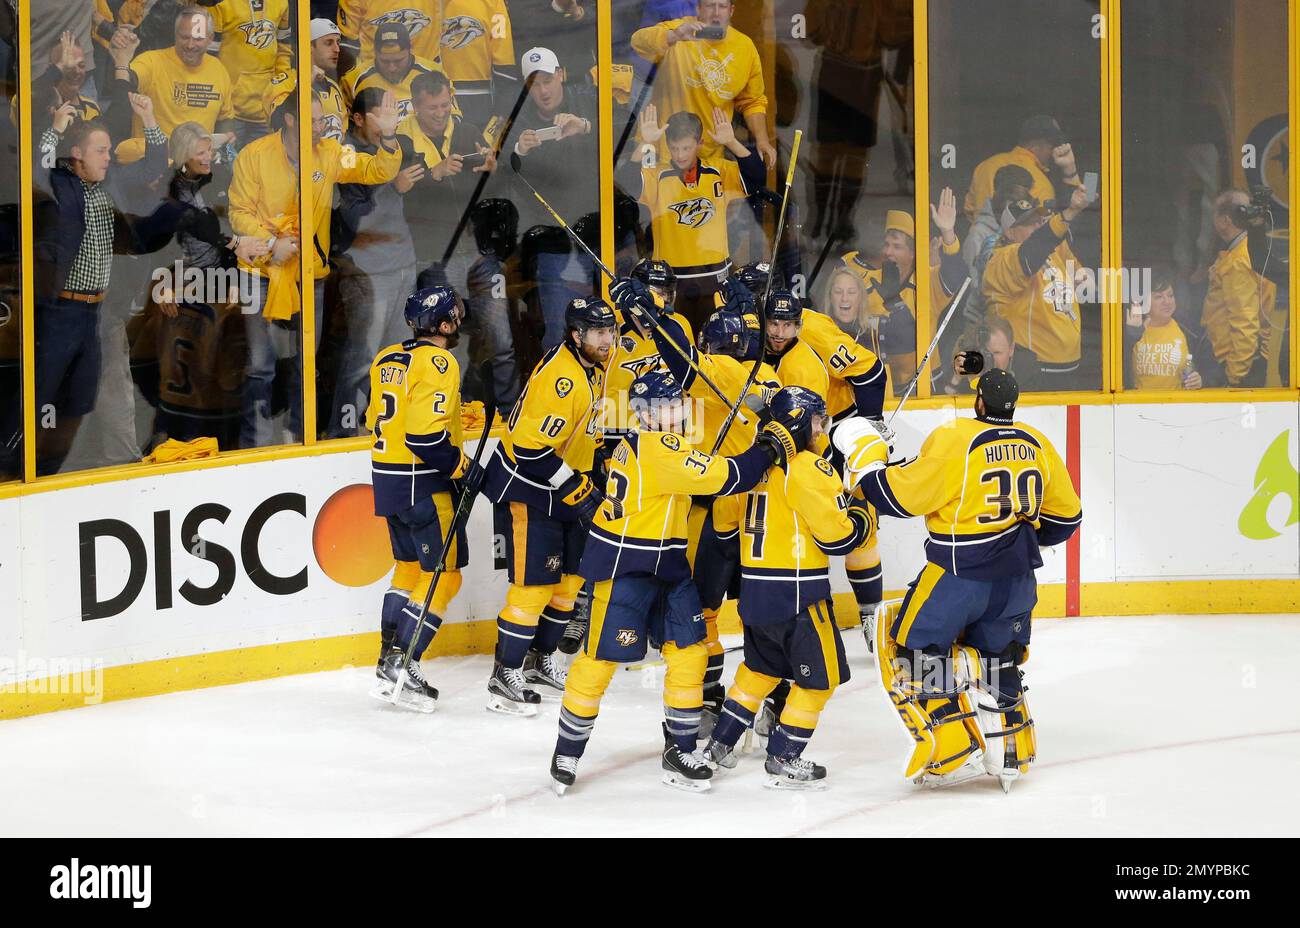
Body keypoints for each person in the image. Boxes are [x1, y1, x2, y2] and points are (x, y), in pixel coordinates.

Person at [549, 367, 791, 795]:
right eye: (667, 406)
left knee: (690, 653)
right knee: (599, 661)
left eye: (678, 403)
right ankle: (567, 750)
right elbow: (731, 476)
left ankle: (679, 749)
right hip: (626, 566)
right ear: (644, 413)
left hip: (667, 565)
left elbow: (697, 474)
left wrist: (745, 426)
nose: (677, 411)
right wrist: (772, 445)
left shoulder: (650, 442)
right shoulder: (660, 448)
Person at [843, 369, 1082, 791]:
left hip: (957, 577)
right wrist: (1020, 538)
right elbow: (1067, 519)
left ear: (979, 402)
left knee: (914, 652)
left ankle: (953, 749)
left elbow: (898, 498)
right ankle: (1012, 754)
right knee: (1000, 657)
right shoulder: (1036, 442)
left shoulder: (956, 439)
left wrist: (866, 461)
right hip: (1017, 581)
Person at [615, 275, 780, 723]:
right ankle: (773, 706)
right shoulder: (771, 380)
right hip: (766, 519)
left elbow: (684, 365)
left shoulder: (722, 372)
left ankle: (706, 701)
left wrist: (649, 315)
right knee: (761, 613)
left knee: (702, 613)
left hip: (718, 512)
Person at [701, 386, 876, 788]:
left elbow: (724, 524)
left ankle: (719, 745)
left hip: (756, 594)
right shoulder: (810, 470)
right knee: (821, 680)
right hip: (800, 597)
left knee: (759, 671)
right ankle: (784, 754)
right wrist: (861, 507)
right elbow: (839, 539)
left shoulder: (747, 468)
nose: (824, 427)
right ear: (798, 423)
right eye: (817, 420)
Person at [227, 89, 401, 448]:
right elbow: (238, 213)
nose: (321, 127)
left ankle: (298, 437)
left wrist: (388, 137)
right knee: (260, 365)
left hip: (309, 276)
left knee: (307, 362)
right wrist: (272, 243)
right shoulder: (254, 156)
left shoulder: (330, 153)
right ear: (291, 119)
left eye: (322, 120)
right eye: (313, 120)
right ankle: (256, 445)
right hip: (261, 274)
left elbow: (375, 170)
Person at [19, 107, 183, 475]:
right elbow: (34, 169)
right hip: (63, 308)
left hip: (102, 308)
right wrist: (57, 126)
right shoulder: (60, 183)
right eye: (102, 150)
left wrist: (150, 120)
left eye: (110, 151)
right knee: (47, 389)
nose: (109, 157)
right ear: (77, 153)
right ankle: (29, 465)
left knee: (112, 390)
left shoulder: (111, 183)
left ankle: (121, 461)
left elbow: (155, 166)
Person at [480, 296, 616, 715]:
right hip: (529, 487)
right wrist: (575, 486)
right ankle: (506, 672)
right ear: (577, 336)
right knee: (533, 587)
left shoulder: (592, 366)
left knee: (570, 582)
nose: (607, 340)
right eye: (598, 333)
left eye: (611, 331)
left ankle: (540, 660)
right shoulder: (566, 379)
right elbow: (529, 449)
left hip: (560, 483)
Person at [366, 285, 475, 711]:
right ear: (445, 324)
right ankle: (402, 661)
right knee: (444, 575)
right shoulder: (441, 360)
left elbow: (380, 416)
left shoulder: (387, 356)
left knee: (408, 570)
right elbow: (424, 435)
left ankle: (386, 657)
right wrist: (463, 468)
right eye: (456, 316)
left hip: (387, 479)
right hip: (422, 480)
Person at [130, 122, 269, 450]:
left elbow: (225, 224)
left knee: (238, 360)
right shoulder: (169, 193)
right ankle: (165, 433)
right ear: (182, 157)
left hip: (224, 281)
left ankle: (231, 438)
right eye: (200, 153)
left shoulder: (218, 177)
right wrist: (164, 284)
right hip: (190, 283)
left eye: (210, 151)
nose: (208, 158)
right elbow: (166, 243)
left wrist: (235, 273)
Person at [328, 87, 422, 439]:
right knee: (362, 358)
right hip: (367, 270)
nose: (388, 120)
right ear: (357, 118)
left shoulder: (394, 147)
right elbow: (354, 218)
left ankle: (389, 427)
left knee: (397, 358)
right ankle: (344, 432)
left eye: (392, 113)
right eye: (380, 115)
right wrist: (392, 188)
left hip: (401, 262)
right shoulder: (344, 154)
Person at [632, 106, 764, 333]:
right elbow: (627, 181)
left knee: (714, 342)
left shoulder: (718, 171)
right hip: (670, 281)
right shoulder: (658, 174)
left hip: (715, 279)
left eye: (686, 147)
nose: (680, 155)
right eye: (674, 148)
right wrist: (645, 142)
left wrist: (732, 142)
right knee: (674, 344)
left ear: (699, 143)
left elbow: (757, 177)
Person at [503, 47, 599, 349]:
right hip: (555, 244)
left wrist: (584, 126)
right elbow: (497, 173)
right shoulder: (517, 120)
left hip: (602, 236)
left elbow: (626, 127)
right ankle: (561, 394)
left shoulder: (586, 100)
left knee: (614, 324)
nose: (543, 90)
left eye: (547, 80)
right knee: (560, 329)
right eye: (534, 84)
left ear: (561, 74)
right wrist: (519, 151)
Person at [631, 0, 774, 169]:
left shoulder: (745, 47)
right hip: (663, 152)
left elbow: (753, 100)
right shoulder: (680, 29)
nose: (715, 12)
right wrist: (674, 36)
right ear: (698, 8)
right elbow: (638, 41)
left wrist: (762, 139)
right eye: (709, 6)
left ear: (731, 11)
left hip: (709, 156)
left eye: (722, 6)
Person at [845, 191, 964, 392]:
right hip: (877, 383)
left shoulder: (926, 282)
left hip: (922, 387)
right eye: (887, 244)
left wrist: (948, 234)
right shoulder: (864, 280)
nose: (888, 251)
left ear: (913, 252)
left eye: (897, 246)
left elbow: (954, 275)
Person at [982, 186, 1091, 386]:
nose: (1038, 226)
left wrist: (1080, 278)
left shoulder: (1055, 250)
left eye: (1039, 221)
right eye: (1029, 223)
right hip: (1033, 369)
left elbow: (1080, 272)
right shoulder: (1001, 259)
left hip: (1070, 367)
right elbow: (1030, 253)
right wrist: (1068, 214)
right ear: (1010, 231)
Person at [111, 7, 236, 162]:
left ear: (210, 38)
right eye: (184, 37)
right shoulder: (152, 61)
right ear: (175, 34)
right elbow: (126, 83)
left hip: (198, 167)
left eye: (198, 38)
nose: (190, 45)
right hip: (153, 166)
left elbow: (225, 117)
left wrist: (226, 137)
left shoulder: (219, 70)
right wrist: (122, 59)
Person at [1200, 190, 1275, 387]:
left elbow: (1245, 324)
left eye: (1214, 214)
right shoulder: (1251, 249)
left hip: (1238, 366)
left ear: (1225, 220)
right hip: (1247, 360)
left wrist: (1234, 378)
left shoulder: (1239, 261)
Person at [962, 114, 1084, 223]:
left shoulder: (985, 166)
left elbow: (969, 209)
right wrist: (1070, 170)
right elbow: (1049, 234)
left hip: (980, 245)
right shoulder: (1041, 185)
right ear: (1035, 147)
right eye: (1051, 147)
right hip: (1018, 247)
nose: (1053, 153)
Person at [210, 0, 293, 145]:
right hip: (230, 112)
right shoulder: (221, 3)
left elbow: (284, 49)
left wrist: (278, 93)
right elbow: (210, 57)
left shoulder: (281, 3)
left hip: (266, 110)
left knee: (262, 165)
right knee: (229, 164)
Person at [343, 21, 455, 120]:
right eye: (385, 61)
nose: (392, 68)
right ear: (375, 52)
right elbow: (349, 129)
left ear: (410, 50)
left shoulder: (433, 73)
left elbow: (453, 117)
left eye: (398, 61)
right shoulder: (354, 79)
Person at [435, 0, 519, 130]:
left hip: (477, 102)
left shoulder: (493, 3)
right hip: (432, 100)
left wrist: (504, 108)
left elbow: (503, 62)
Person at [1125, 272, 1202, 391]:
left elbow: (1199, 368)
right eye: (1158, 297)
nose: (1167, 302)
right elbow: (1116, 370)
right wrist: (1131, 337)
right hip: (1138, 406)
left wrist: (1199, 380)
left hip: (1175, 406)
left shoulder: (1187, 332)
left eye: (1170, 295)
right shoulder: (1133, 330)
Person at [943, 315, 1043, 395]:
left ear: (1011, 348)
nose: (989, 359)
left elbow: (1026, 409)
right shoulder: (969, 360)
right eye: (985, 352)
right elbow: (945, 409)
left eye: (997, 353)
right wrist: (957, 379)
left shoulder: (1027, 368)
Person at [310, 18, 350, 143]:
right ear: (309, 46)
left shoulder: (333, 86)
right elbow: (280, 122)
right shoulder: (287, 82)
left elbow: (343, 133)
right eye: (328, 43)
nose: (337, 49)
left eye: (338, 42)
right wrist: (307, 83)